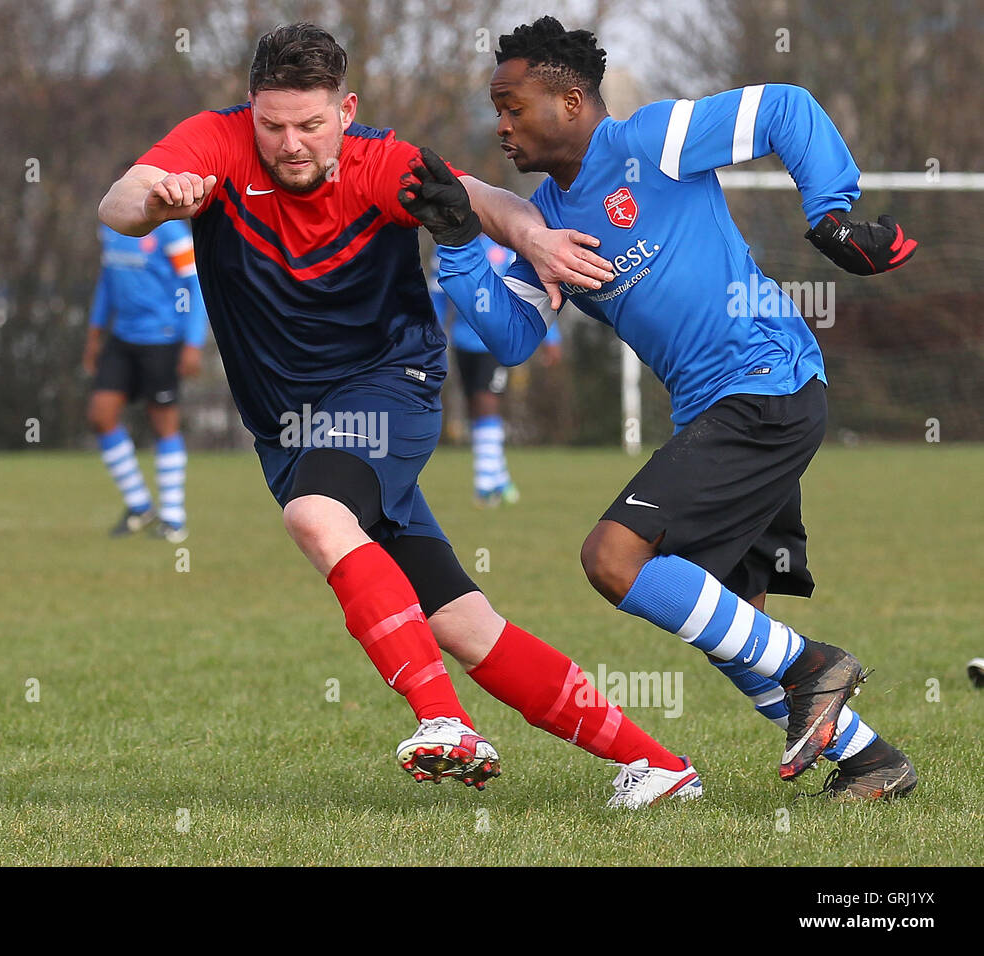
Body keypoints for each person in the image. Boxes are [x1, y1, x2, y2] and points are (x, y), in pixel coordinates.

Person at [99, 22, 704, 807]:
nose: (289, 143)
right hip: (288, 427)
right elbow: (117, 206)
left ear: (346, 111)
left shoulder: (383, 162)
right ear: (250, 109)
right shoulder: (214, 144)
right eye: (273, 124)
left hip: (391, 385)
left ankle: (444, 721)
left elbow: (482, 203)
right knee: (461, 623)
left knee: (317, 517)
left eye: (310, 124)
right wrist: (157, 199)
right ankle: (659, 765)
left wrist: (540, 240)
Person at [420, 16, 918, 799]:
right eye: (497, 108)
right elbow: (512, 336)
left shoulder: (650, 140)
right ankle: (872, 762)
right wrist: (454, 244)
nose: (502, 124)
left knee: (613, 561)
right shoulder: (547, 221)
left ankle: (815, 666)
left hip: (766, 384)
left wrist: (830, 213)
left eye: (513, 105)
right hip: (725, 412)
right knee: (730, 621)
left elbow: (785, 108)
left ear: (573, 99)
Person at [83, 218, 208, 543]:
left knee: (163, 422)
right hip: (122, 339)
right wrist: (95, 333)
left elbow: (196, 284)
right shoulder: (111, 228)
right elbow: (107, 281)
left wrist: (194, 342)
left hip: (162, 339)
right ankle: (140, 505)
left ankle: (173, 518)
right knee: (100, 416)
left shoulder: (170, 233)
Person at [429, 235, 561, 507]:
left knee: (487, 402)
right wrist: (434, 331)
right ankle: (497, 477)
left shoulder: (506, 241)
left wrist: (551, 337)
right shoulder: (448, 241)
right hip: (463, 341)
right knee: (474, 407)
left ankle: (485, 484)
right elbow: (438, 295)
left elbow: (533, 292)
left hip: (497, 340)